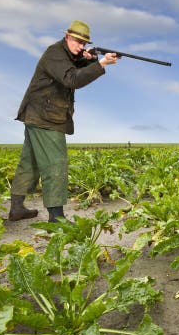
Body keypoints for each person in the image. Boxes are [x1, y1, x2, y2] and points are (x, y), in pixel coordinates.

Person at [8, 20, 119, 222]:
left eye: (83, 44)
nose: (80, 46)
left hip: (39, 114)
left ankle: (16, 209)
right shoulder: (54, 53)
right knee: (56, 164)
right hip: (45, 117)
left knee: (30, 162)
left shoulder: (66, 54)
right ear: (67, 36)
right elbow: (72, 79)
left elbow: (73, 68)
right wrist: (100, 64)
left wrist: (90, 60)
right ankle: (56, 218)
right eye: (77, 41)